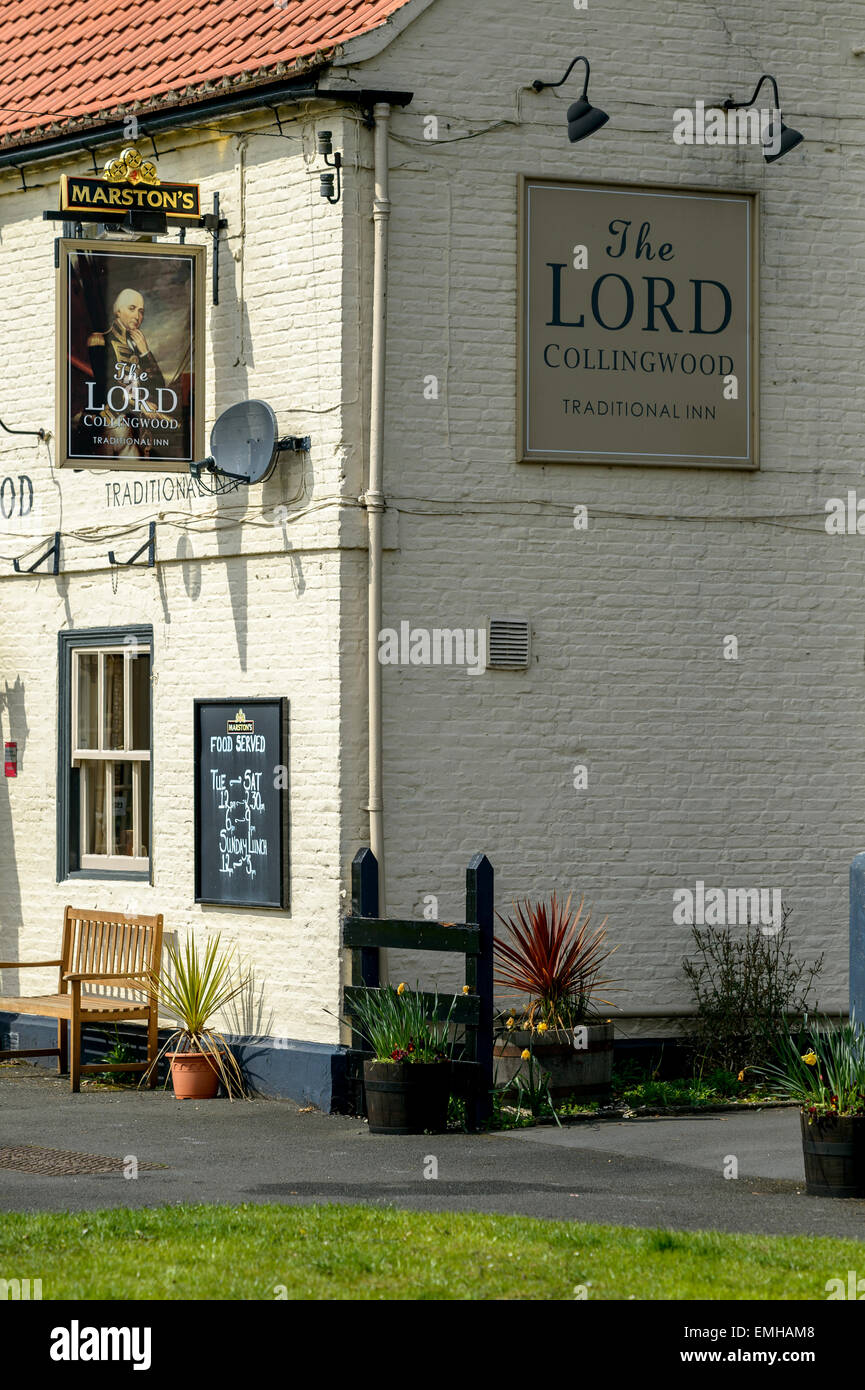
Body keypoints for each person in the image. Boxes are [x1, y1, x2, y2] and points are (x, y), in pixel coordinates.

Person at [84, 288, 169, 459]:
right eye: (132, 308)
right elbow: (107, 389)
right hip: (111, 423)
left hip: (133, 424)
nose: (137, 316)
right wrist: (141, 403)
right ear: (118, 311)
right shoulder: (100, 341)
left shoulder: (137, 348)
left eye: (141, 311)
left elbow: (159, 385)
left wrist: (145, 353)